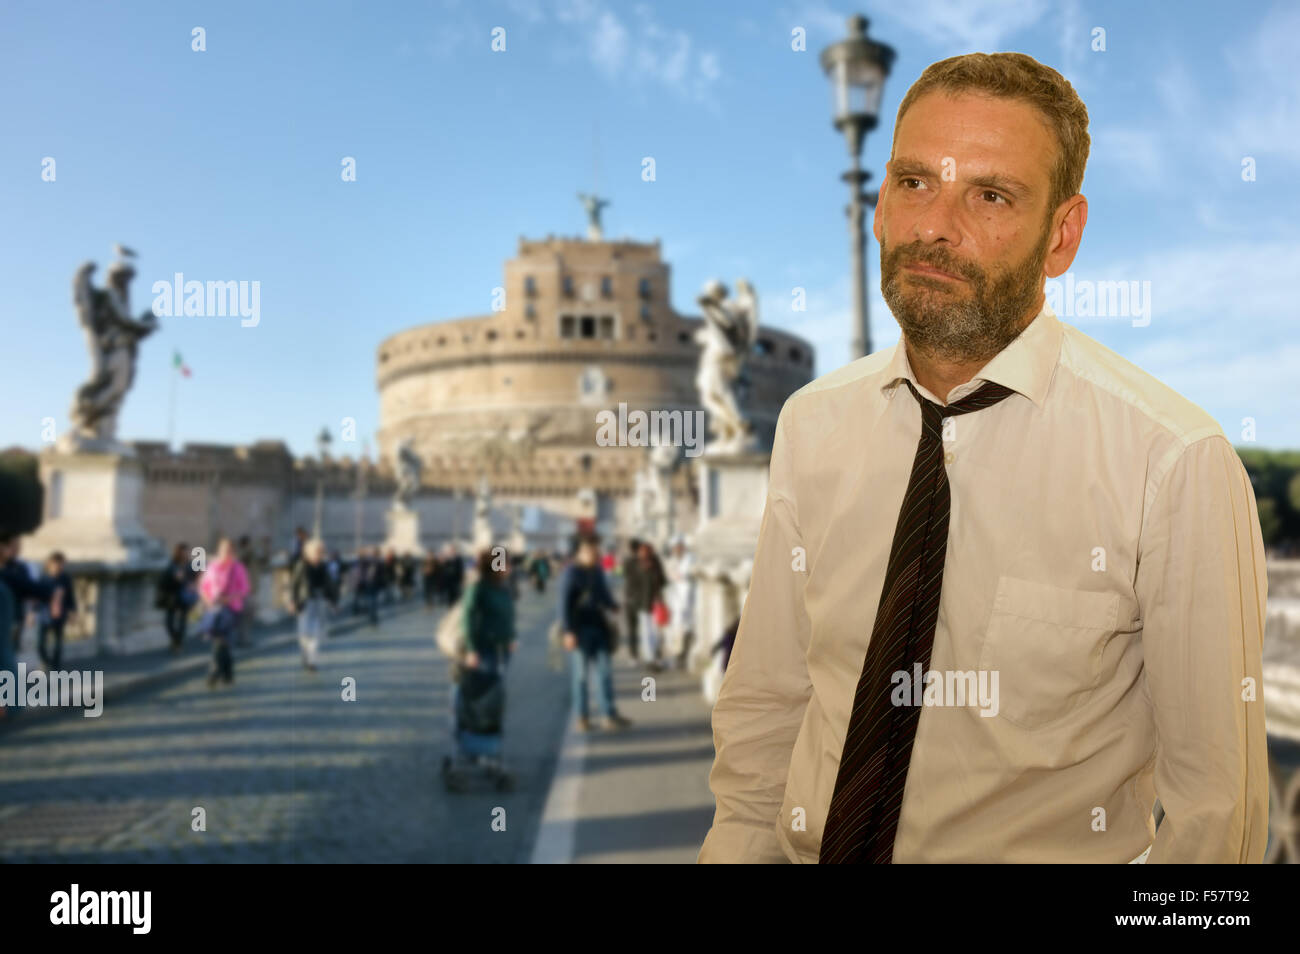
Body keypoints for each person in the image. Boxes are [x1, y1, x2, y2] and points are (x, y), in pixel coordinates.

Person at [700, 52, 1268, 865]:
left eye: (990, 195)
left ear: (1062, 236)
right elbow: (767, 710)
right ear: (877, 207)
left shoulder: (1172, 463)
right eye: (913, 182)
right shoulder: (812, 425)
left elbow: (1216, 831)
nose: (935, 225)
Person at [559, 535, 630, 732]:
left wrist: (614, 606)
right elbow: (564, 604)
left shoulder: (597, 571)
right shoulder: (571, 573)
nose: (595, 554)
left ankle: (608, 714)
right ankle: (582, 717)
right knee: (581, 677)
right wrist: (568, 632)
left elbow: (603, 595)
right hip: (579, 630)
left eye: (595, 550)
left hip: (599, 628)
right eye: (591, 550)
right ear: (581, 552)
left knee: (605, 673)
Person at [197, 537, 250, 687]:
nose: (225, 552)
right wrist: (207, 600)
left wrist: (230, 598)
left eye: (228, 550)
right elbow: (203, 587)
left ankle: (214, 673)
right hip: (214, 609)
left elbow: (245, 589)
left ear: (232, 551)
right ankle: (228, 674)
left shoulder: (238, 567)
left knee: (222, 643)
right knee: (221, 642)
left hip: (232, 609)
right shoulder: (212, 567)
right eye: (223, 549)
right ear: (219, 550)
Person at [290, 539, 337, 671]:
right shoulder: (302, 565)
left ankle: (312, 661)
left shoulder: (323, 566)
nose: (319, 555)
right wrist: (293, 601)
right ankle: (305, 655)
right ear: (309, 552)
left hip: (319, 601)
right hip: (304, 602)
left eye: (321, 552)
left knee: (316, 633)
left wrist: (333, 601)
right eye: (317, 552)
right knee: (304, 633)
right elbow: (294, 584)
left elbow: (329, 585)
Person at [36, 552, 77, 671]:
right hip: (45, 613)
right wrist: (33, 612)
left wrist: (72, 612)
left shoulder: (65, 579)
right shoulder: (44, 578)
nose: (59, 567)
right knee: (40, 643)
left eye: (61, 564)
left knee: (58, 642)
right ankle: (46, 661)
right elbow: (37, 596)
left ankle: (55, 666)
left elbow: (70, 597)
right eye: (57, 564)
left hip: (60, 614)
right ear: (50, 564)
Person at [631, 542, 667, 670]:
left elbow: (662, 581)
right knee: (646, 632)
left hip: (655, 603)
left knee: (656, 632)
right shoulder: (636, 565)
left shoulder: (656, 564)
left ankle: (656, 656)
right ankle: (650, 659)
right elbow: (632, 584)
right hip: (642, 603)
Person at [156, 542, 198, 652]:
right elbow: (163, 581)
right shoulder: (172, 565)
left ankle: (178, 643)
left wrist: (191, 583)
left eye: (187, 552)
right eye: (184, 552)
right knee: (169, 622)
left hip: (185, 596)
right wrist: (175, 579)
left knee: (182, 621)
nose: (186, 554)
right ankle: (175, 639)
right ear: (178, 553)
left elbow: (194, 579)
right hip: (172, 597)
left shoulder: (190, 565)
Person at [662, 536, 695, 669]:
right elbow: (669, 577)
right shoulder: (672, 561)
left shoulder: (690, 559)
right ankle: (677, 656)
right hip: (675, 599)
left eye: (679, 547)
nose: (677, 550)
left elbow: (686, 576)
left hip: (688, 599)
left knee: (687, 628)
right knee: (676, 629)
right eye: (675, 548)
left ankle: (683, 655)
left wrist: (679, 576)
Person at [618, 538, 642, 659]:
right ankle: (644, 651)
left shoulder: (627, 562)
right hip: (641, 597)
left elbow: (623, 575)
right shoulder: (642, 561)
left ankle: (633, 653)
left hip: (629, 596)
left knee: (632, 627)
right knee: (640, 626)